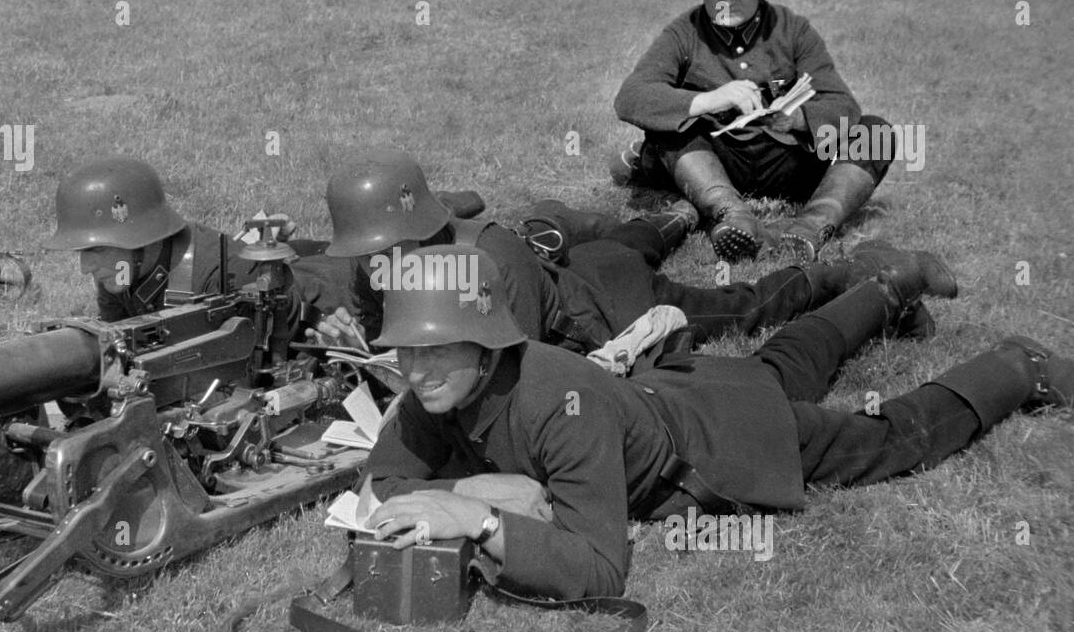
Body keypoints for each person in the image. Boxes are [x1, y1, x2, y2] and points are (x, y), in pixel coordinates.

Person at [363, 245, 1072, 600]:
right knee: (785, 358)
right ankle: (888, 284)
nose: (416, 369)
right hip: (681, 388)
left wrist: (480, 521)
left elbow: (602, 566)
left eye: (436, 351)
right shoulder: (436, 392)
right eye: (408, 352)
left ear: (487, 339)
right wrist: (482, 489)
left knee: (889, 440)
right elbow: (385, 479)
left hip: (724, 442)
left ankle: (1018, 365)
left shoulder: (557, 399)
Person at [310, 146, 954, 357]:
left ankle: (860, 270)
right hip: (585, 265)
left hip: (615, 305)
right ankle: (676, 216)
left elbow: (507, 367)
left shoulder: (491, 260)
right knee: (626, 242)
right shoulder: (383, 264)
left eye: (384, 246)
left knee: (742, 308)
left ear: (423, 224)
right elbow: (376, 322)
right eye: (366, 251)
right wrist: (348, 332)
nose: (373, 263)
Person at [613, 0, 895, 262]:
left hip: (786, 159)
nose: (726, 0)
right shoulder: (684, 32)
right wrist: (708, 100)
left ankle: (810, 227)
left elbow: (843, 104)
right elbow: (631, 96)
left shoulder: (793, 29)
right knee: (667, 127)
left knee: (875, 133)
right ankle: (730, 214)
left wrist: (799, 119)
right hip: (713, 162)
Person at [41, 157, 353, 327]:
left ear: (142, 239)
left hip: (345, 299)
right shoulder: (120, 274)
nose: (86, 267)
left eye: (96, 249)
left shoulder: (224, 277)